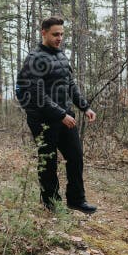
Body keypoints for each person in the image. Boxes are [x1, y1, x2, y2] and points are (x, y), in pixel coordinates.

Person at [15, 17, 98, 214]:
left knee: (76, 157)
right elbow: (37, 93)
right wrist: (61, 114)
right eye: (55, 34)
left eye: (61, 34)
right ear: (43, 32)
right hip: (43, 119)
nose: (59, 38)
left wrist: (85, 107)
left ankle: (77, 200)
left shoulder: (61, 56)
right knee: (48, 161)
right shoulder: (35, 58)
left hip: (64, 115)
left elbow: (70, 85)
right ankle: (51, 203)